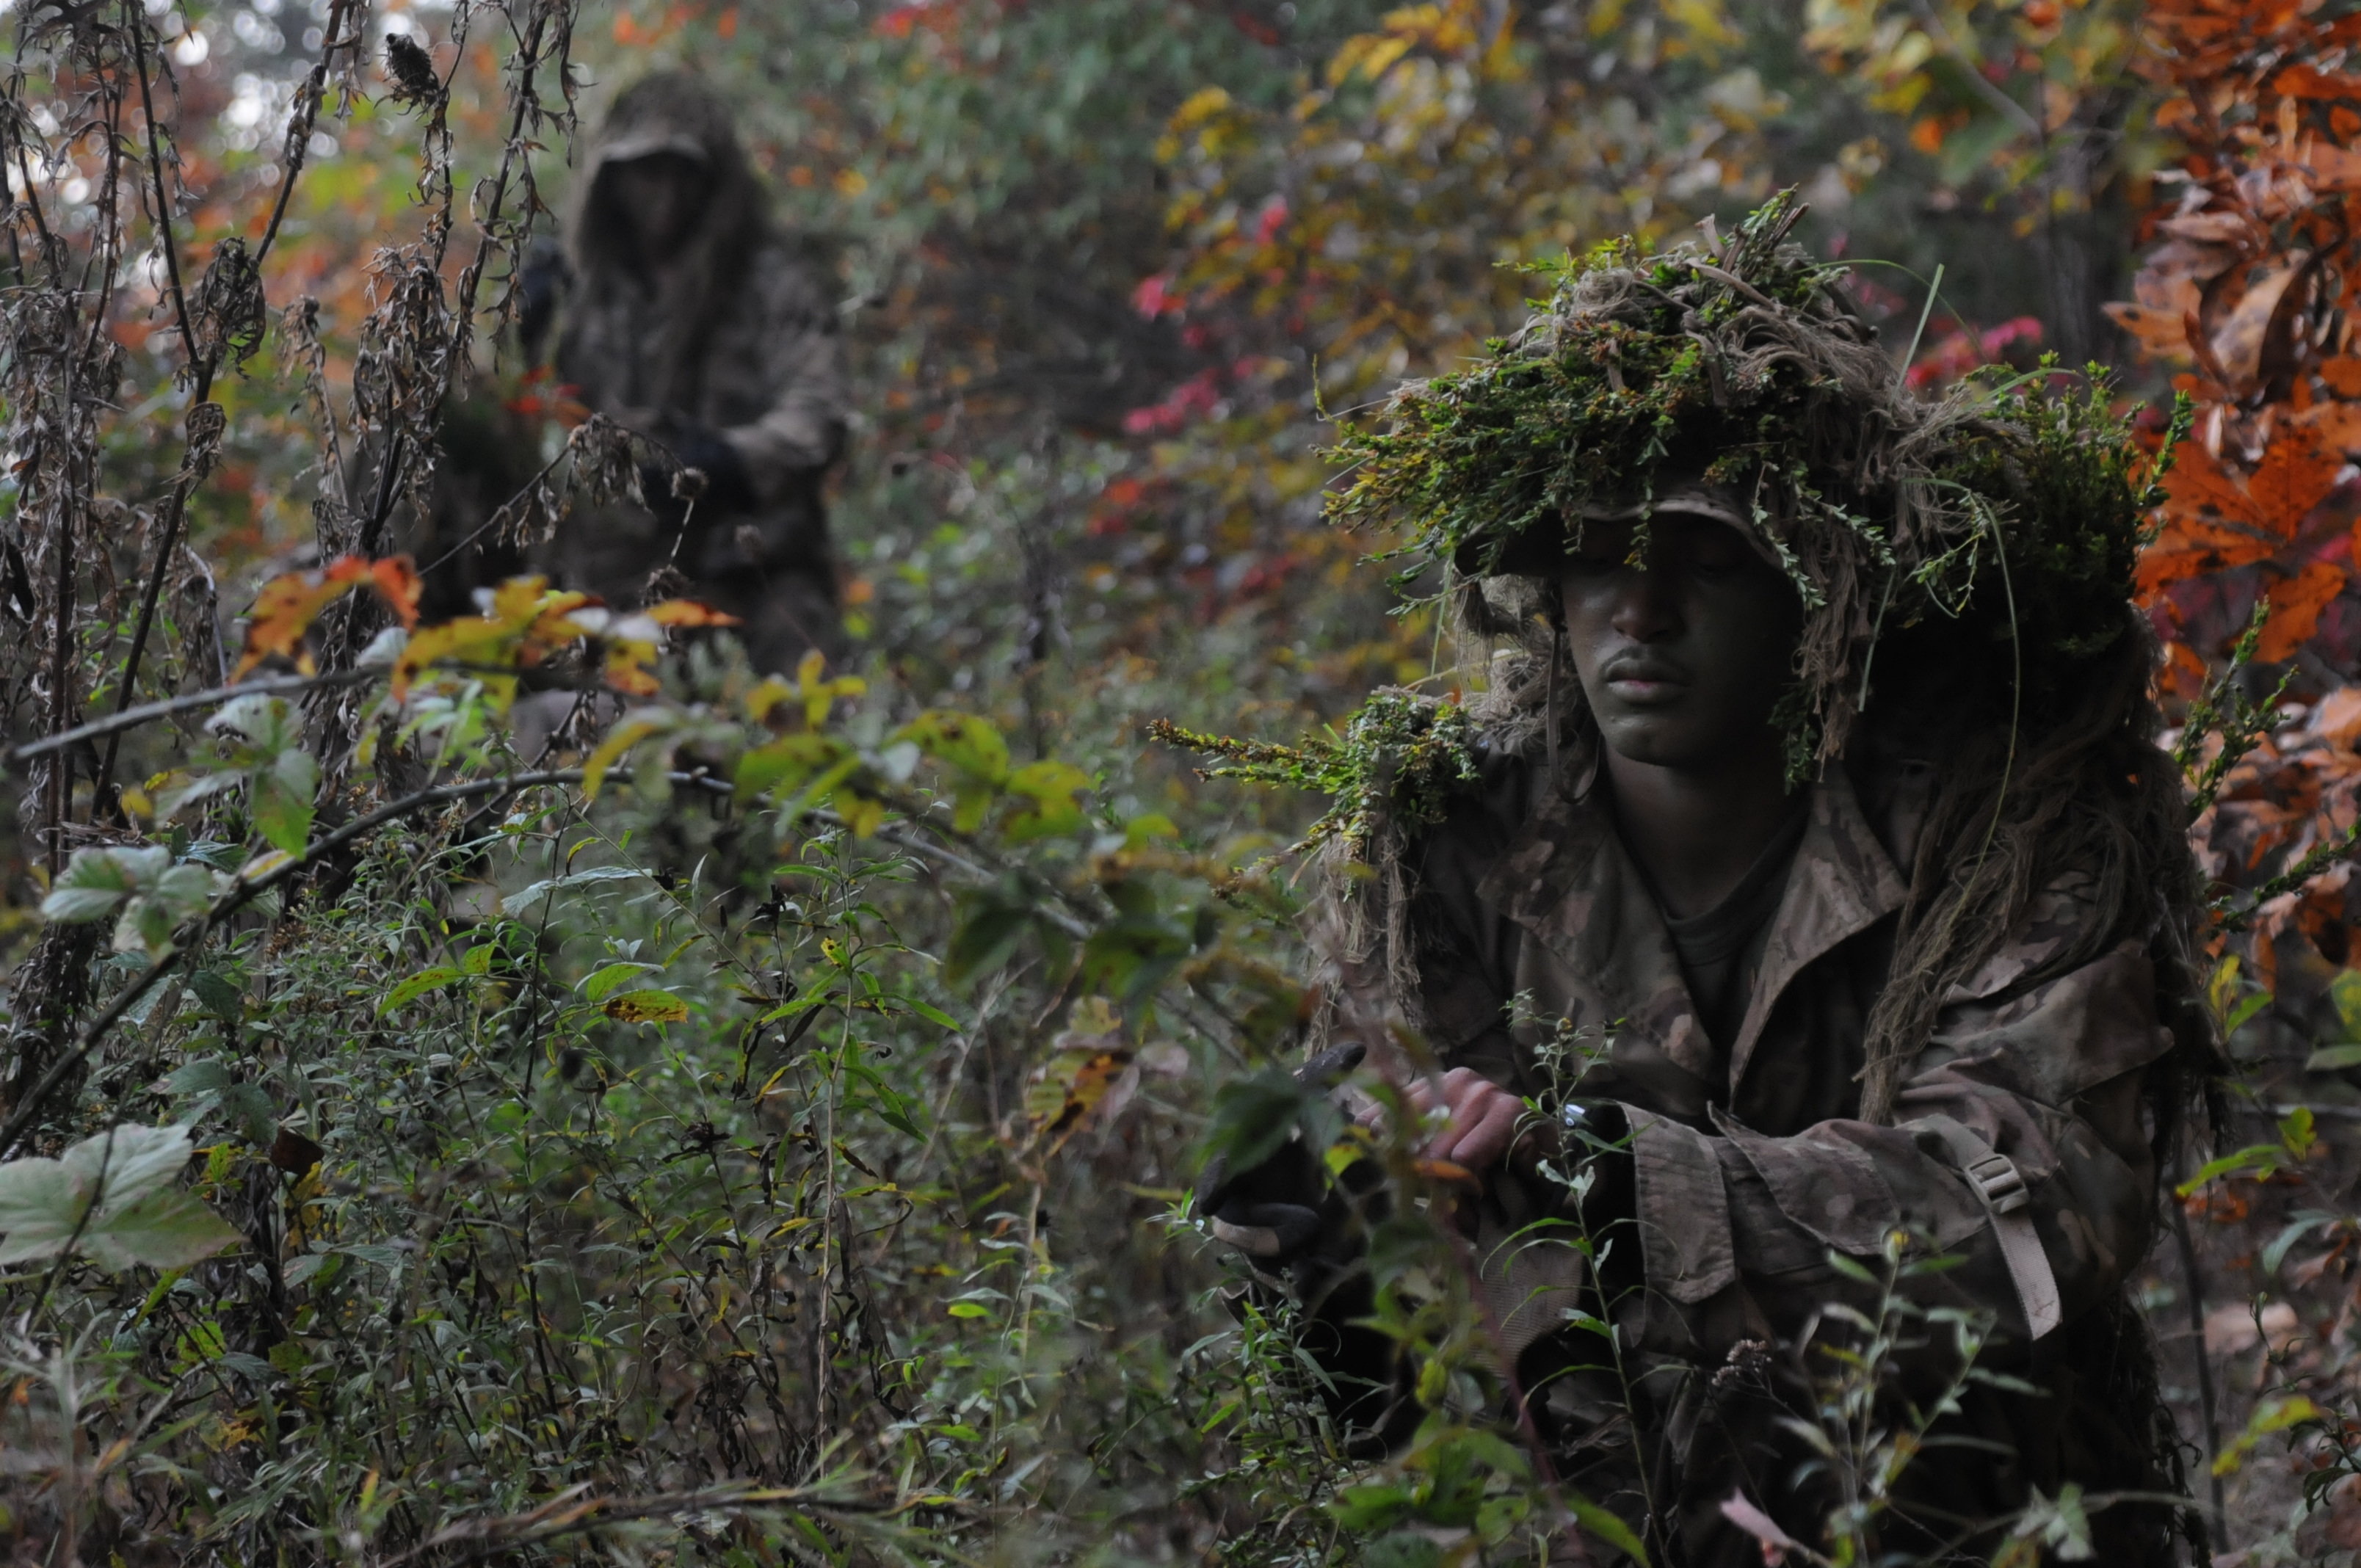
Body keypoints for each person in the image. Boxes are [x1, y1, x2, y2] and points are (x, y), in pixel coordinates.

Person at [1192, 197, 2217, 1565]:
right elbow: (1408, 1321)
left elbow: (2026, 1209)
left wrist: (1600, 1176)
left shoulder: (2000, 814)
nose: (1641, 610)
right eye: (1595, 557)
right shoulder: (1444, 838)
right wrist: (1331, 1220)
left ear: (1821, 589)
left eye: (1709, 557)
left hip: (1964, 1515)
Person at [526, 70, 851, 673]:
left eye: (684, 173)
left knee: (813, 716)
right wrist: (519, 334)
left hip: (756, 568)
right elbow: (518, 423)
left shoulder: (769, 283)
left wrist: (729, 460)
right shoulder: (582, 296)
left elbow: (818, 411)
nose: (666, 195)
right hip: (618, 579)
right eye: (647, 172)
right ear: (613, 179)